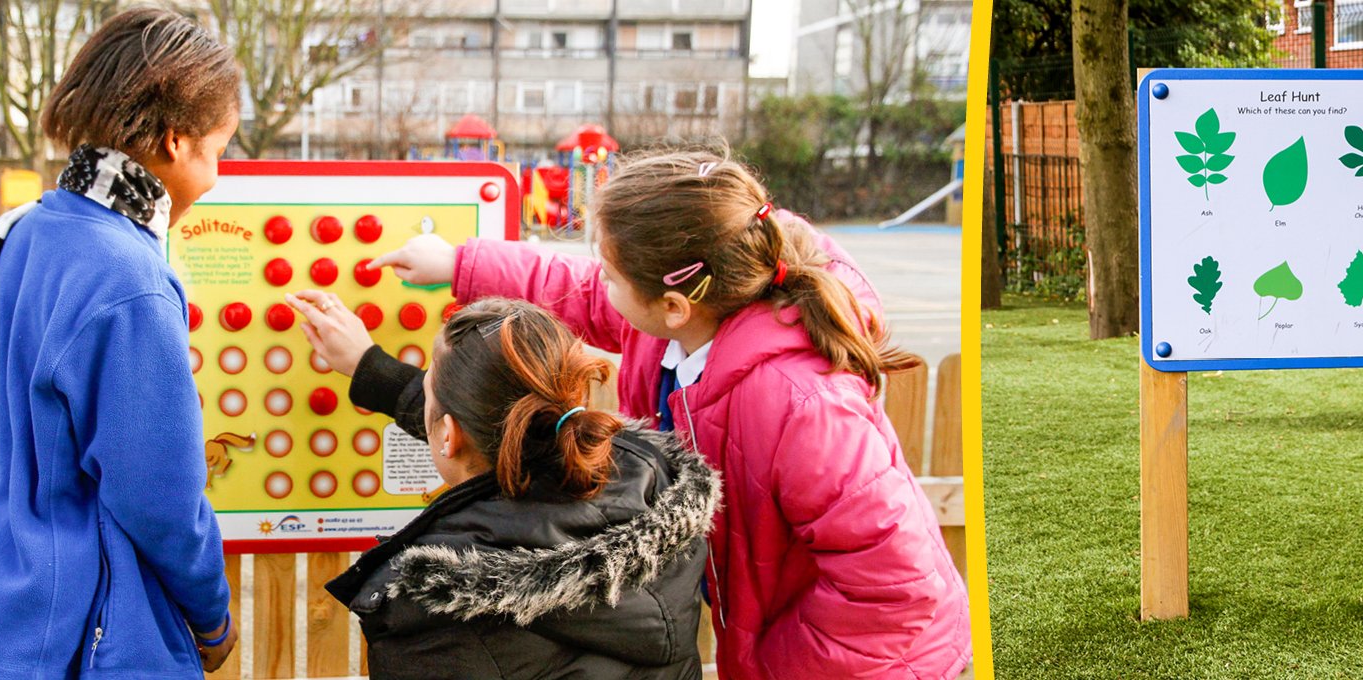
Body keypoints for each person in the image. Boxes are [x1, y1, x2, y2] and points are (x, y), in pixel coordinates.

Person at [320, 150, 970, 678]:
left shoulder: (803, 407)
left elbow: (897, 589)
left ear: (675, 301)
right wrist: (464, 264)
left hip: (880, 664)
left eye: (609, 272)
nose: (595, 285)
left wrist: (770, 663)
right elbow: (575, 291)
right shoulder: (674, 324)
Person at [0, 7, 243, 677]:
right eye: (219, 150)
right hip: (80, 634)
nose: (216, 176)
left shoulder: (20, 232)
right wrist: (211, 615)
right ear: (177, 141)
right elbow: (161, 497)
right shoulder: (130, 280)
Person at [312, 297, 719, 679]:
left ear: (449, 435)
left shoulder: (437, 616)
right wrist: (372, 369)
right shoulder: (649, 488)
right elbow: (494, 420)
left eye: (429, 395)